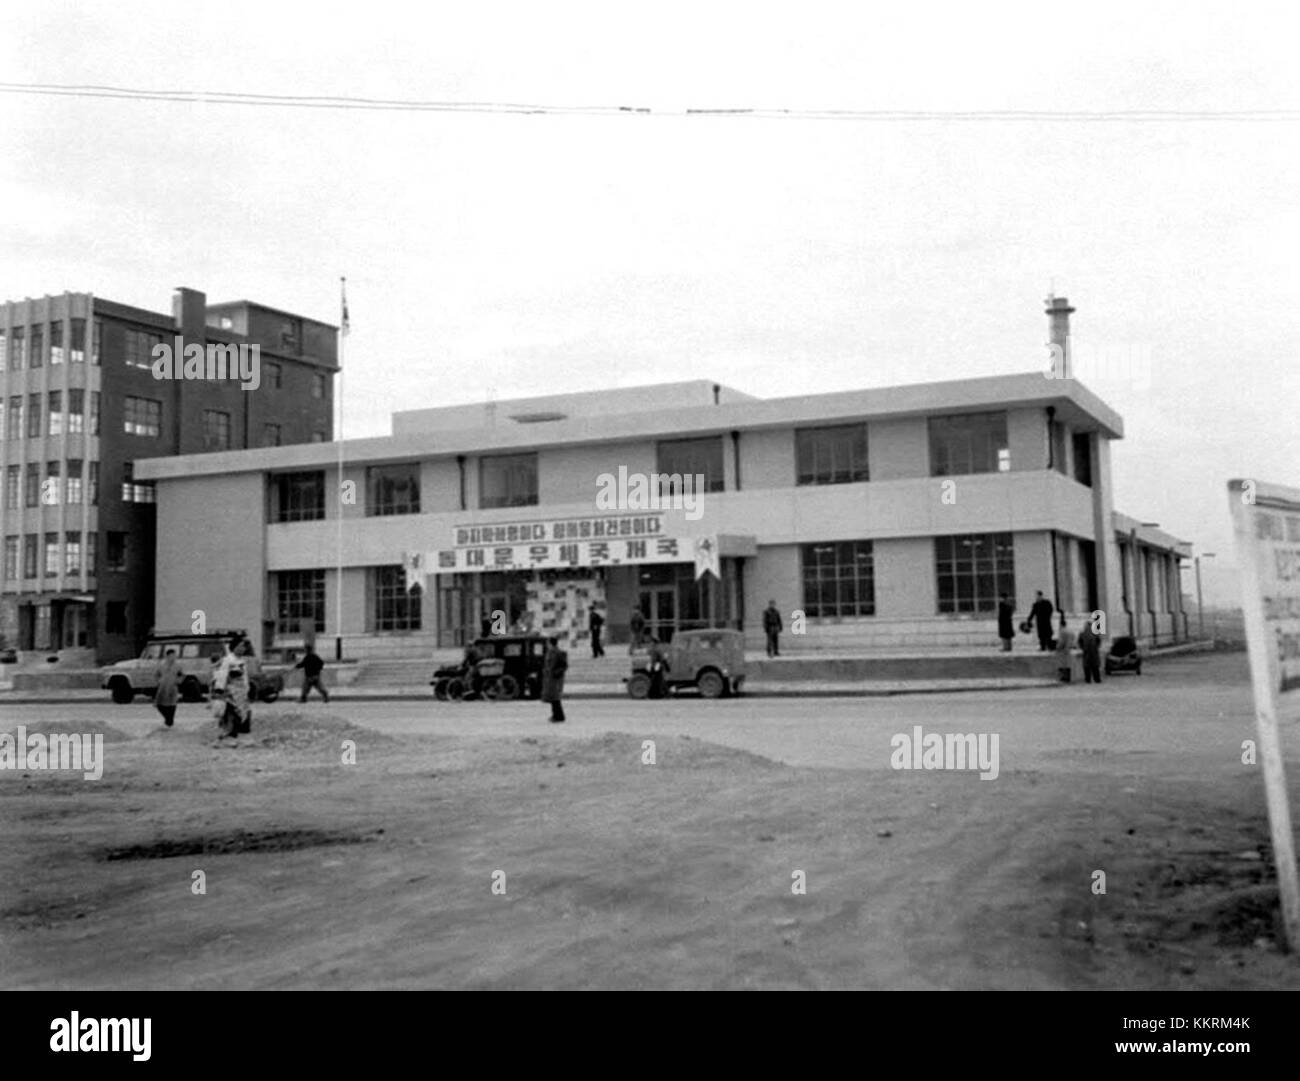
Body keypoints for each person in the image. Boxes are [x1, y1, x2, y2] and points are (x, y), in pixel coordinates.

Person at [212, 637, 252, 740]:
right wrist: (219, 688)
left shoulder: (242, 661)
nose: (243, 648)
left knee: (244, 713)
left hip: (241, 693)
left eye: (244, 646)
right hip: (231, 692)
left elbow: (245, 677)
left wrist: (247, 688)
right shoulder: (228, 660)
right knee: (232, 714)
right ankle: (229, 734)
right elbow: (222, 674)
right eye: (241, 646)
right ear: (234, 647)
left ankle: (240, 733)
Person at [541, 636, 568, 723]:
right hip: (550, 678)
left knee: (555, 698)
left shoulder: (559, 653)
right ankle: (556, 715)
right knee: (553, 698)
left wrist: (556, 673)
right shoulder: (550, 652)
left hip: (555, 679)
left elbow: (564, 665)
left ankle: (559, 716)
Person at [154, 647, 180, 727]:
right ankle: (167, 718)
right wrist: (159, 681)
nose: (174, 658)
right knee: (159, 704)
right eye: (172, 656)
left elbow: (182, 674)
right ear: (168, 656)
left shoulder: (177, 666)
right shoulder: (161, 665)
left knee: (172, 704)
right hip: (163, 687)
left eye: (175, 656)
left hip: (173, 687)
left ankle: (170, 721)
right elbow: (156, 675)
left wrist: (178, 680)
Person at [1078, 620, 1103, 685]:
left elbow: (1079, 642)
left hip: (1086, 651)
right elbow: (1099, 641)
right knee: (1095, 667)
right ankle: (1097, 679)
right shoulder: (1095, 633)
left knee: (1087, 666)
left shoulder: (1082, 633)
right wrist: (1096, 647)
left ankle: (1088, 679)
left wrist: (1082, 648)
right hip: (1093, 651)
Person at [1055, 616, 1076, 682]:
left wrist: (1057, 648)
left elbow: (1061, 642)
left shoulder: (1062, 632)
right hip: (1069, 649)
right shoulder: (1070, 631)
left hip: (1063, 651)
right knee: (1068, 664)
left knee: (1062, 664)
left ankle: (1064, 678)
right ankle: (1068, 678)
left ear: (1061, 625)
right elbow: (1073, 639)